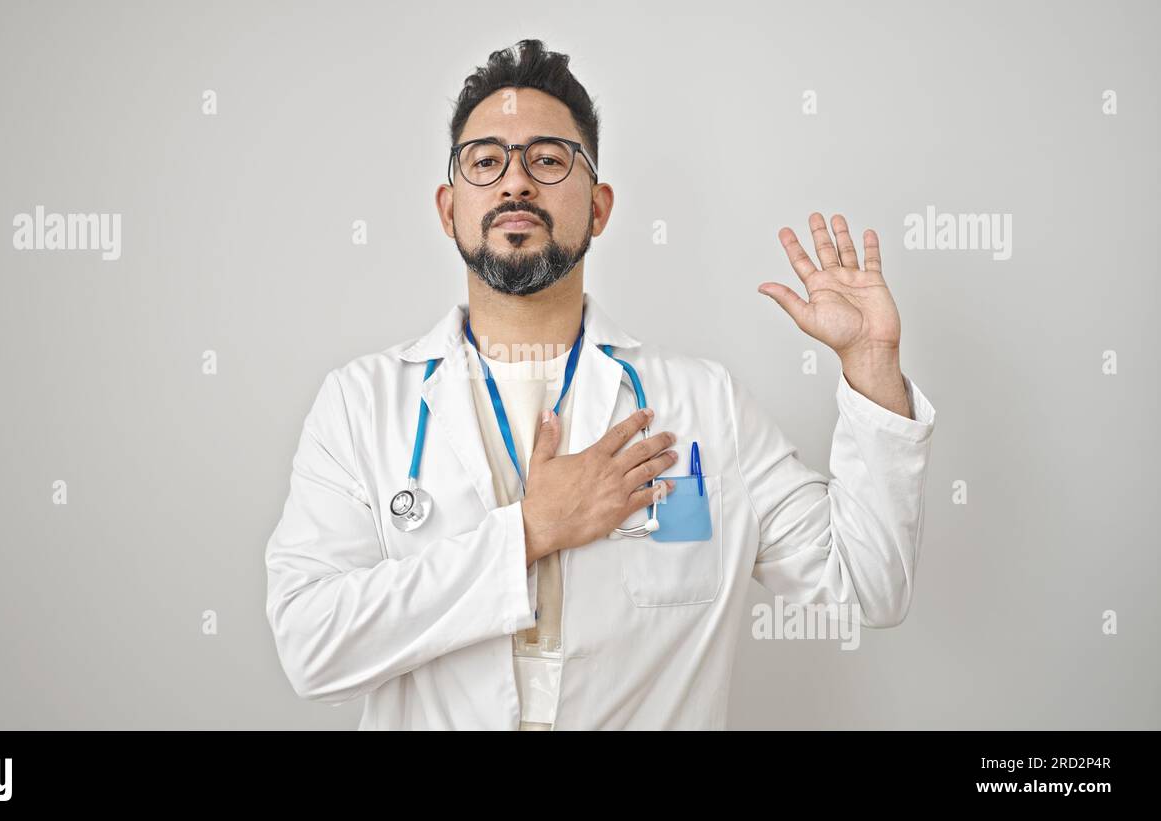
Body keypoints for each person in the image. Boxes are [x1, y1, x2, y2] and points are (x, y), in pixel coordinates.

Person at [264, 39, 937, 730]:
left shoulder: (705, 405)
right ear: (448, 208)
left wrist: (872, 363)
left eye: (549, 159)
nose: (516, 182)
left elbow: (867, 586)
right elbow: (312, 646)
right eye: (486, 160)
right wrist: (528, 531)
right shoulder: (362, 404)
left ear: (599, 207)